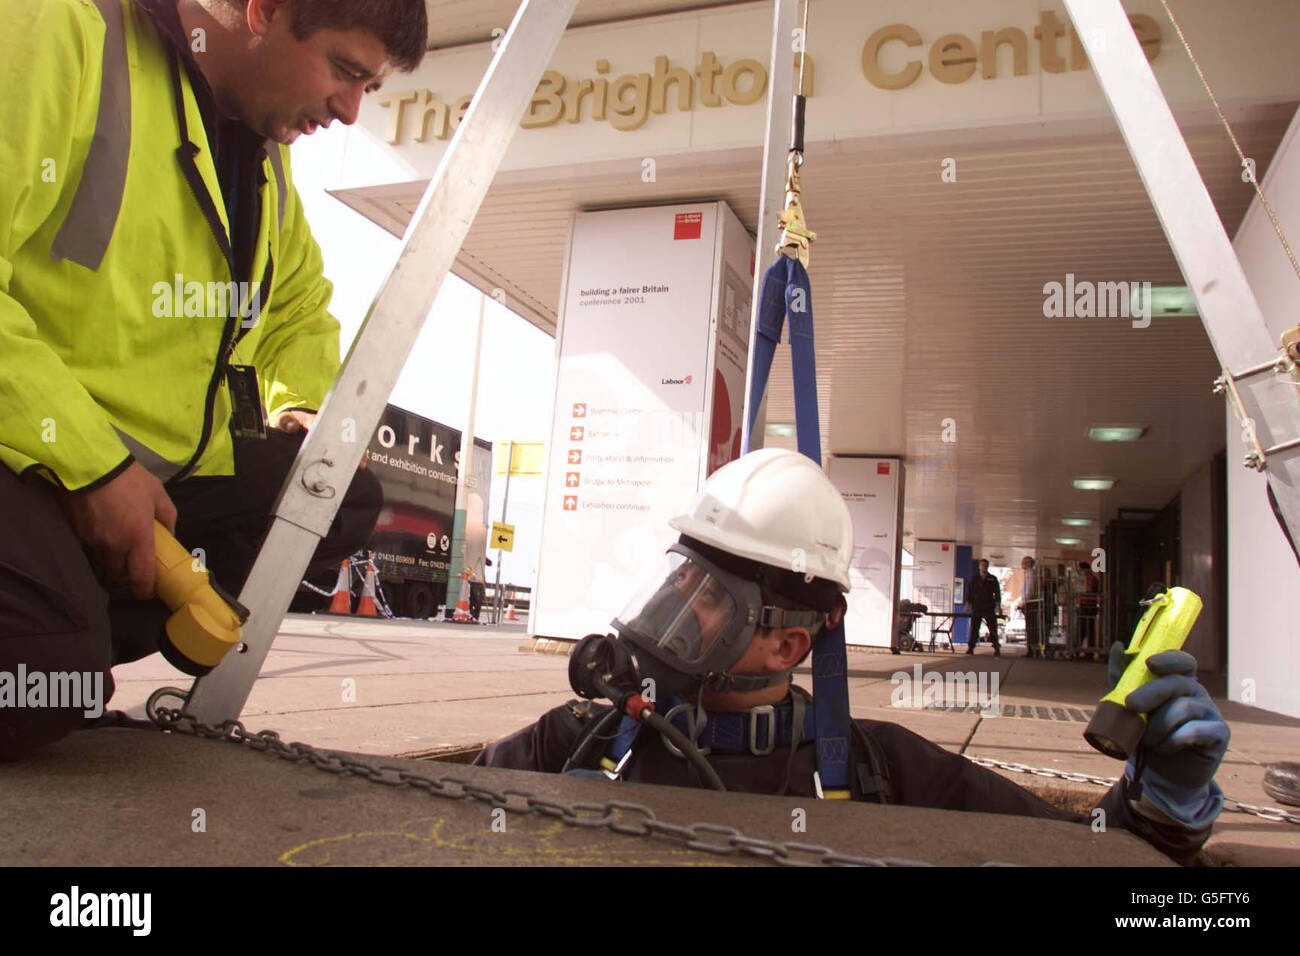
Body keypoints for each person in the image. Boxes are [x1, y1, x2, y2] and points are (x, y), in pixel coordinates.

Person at [0, 0, 429, 759]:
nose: (350, 109)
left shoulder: (260, 149)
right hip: (25, 455)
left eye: (369, 86)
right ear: (262, 11)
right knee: (44, 679)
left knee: (332, 491)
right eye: (344, 70)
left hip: (141, 478)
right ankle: (54, 637)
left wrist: (302, 407)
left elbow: (298, 306)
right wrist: (91, 467)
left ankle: (63, 615)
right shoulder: (56, 30)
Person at [475, 449, 1229, 865]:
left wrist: (1162, 800)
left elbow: (1078, 858)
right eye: (679, 576)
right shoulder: (580, 738)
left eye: (709, 593)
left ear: (787, 644)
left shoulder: (887, 773)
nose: (674, 606)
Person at [965, 558, 1001, 656]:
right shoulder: (974, 579)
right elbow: (970, 592)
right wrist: (967, 604)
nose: (983, 567)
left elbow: (997, 593)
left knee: (993, 629)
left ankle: (996, 647)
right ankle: (971, 647)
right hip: (977, 606)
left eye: (985, 565)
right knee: (974, 628)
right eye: (982, 565)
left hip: (989, 607)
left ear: (987, 567)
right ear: (979, 567)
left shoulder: (992, 578)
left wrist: (998, 606)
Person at [1018, 555, 1045, 658]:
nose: (1022, 564)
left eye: (1023, 562)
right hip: (1030, 603)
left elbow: (1029, 590)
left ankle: (1032, 649)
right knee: (1031, 627)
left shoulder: (1031, 574)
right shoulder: (1029, 574)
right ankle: (1033, 649)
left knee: (1031, 627)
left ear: (1028, 563)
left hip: (1031, 604)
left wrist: (1024, 602)